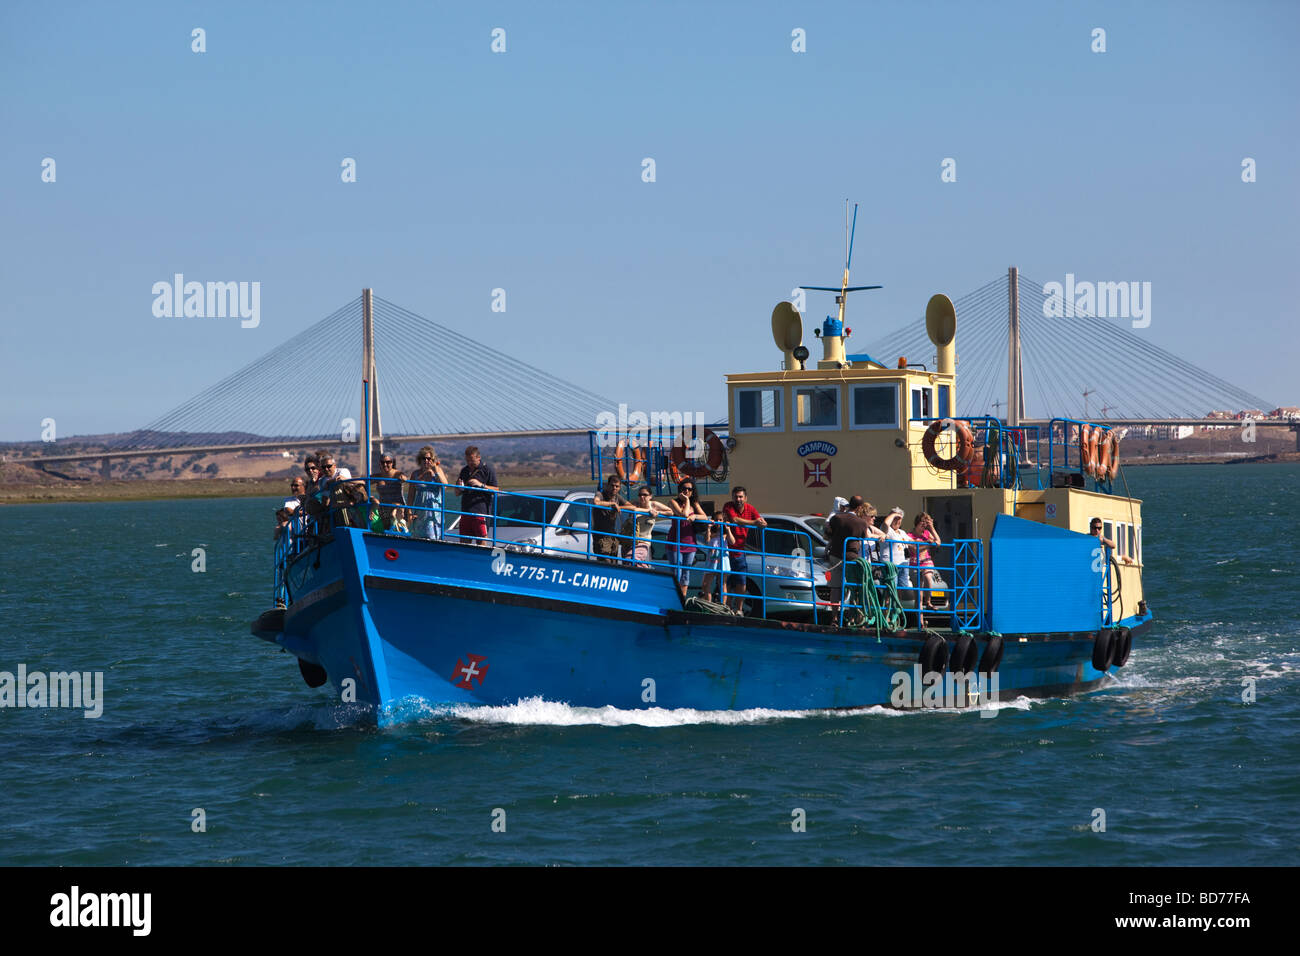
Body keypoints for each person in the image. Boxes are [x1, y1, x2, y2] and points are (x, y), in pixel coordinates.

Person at [722, 486, 766, 614]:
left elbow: (761, 521)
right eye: (736, 496)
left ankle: (739, 610)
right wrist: (755, 523)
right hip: (726, 550)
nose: (738, 499)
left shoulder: (750, 508)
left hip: (740, 551)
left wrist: (763, 524)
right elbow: (734, 519)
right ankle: (728, 609)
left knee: (741, 581)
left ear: (745, 498)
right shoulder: (728, 506)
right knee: (727, 582)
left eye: (741, 496)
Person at [826, 494, 871, 602]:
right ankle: (854, 615)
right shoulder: (861, 523)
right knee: (854, 587)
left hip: (835, 555)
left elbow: (827, 534)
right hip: (851, 557)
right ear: (859, 507)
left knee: (835, 588)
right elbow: (865, 538)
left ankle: (835, 617)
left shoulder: (836, 518)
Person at [667, 479, 707, 599]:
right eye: (684, 488)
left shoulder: (695, 504)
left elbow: (705, 516)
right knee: (676, 572)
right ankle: (675, 597)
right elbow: (683, 514)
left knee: (686, 573)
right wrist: (687, 500)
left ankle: (682, 597)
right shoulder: (673, 502)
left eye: (690, 489)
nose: (687, 491)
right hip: (675, 542)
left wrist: (695, 515)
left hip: (690, 543)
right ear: (680, 490)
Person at [455, 446, 499, 543]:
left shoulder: (487, 470)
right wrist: (458, 487)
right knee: (464, 542)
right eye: (467, 460)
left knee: (482, 541)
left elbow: (496, 490)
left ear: (478, 458)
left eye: (472, 460)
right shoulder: (464, 470)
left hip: (480, 512)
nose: (469, 463)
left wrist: (481, 485)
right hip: (466, 512)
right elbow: (457, 493)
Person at [408, 445, 449, 540]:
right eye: (424, 458)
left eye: (429, 458)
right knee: (418, 538)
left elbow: (445, 485)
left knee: (432, 537)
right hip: (420, 512)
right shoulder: (415, 474)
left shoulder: (438, 471)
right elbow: (411, 494)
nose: (426, 461)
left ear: (433, 459)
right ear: (420, 460)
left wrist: (435, 471)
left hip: (433, 512)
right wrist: (409, 511)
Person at [628, 487, 674, 567]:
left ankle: (646, 570)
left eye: (645, 495)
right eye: (640, 495)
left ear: (650, 496)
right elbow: (635, 510)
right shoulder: (635, 504)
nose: (642, 497)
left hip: (644, 541)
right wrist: (649, 511)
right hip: (630, 541)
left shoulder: (654, 505)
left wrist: (658, 512)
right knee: (627, 562)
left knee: (630, 559)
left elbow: (671, 512)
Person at [592, 475, 630, 563]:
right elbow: (596, 502)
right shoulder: (600, 494)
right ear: (608, 485)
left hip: (613, 536)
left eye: (617, 486)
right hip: (601, 535)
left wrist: (619, 507)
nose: (614, 488)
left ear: (620, 487)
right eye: (612, 485)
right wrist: (611, 504)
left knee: (614, 562)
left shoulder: (618, 497)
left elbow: (631, 506)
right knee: (605, 561)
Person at [910, 512, 944, 610]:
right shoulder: (910, 535)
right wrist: (927, 544)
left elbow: (938, 542)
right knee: (919, 596)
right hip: (914, 563)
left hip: (926, 561)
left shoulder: (927, 533)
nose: (924, 525)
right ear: (917, 523)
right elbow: (914, 550)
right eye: (922, 523)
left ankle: (928, 602)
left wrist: (931, 528)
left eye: (926, 523)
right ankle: (920, 621)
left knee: (928, 577)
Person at [698, 511, 733, 604]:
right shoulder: (712, 532)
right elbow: (707, 540)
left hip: (723, 560)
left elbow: (732, 541)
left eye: (720, 520)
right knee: (705, 584)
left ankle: (723, 605)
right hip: (712, 560)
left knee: (722, 583)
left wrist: (728, 529)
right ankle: (708, 604)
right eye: (716, 520)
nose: (718, 522)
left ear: (724, 520)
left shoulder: (725, 533)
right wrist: (709, 528)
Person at [369, 453, 406, 530]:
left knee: (394, 515)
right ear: (380, 464)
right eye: (382, 462)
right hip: (383, 508)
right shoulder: (377, 476)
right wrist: (371, 498)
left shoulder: (397, 474)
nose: (385, 464)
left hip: (397, 508)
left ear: (392, 463)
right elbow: (363, 483)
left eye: (388, 462)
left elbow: (404, 477)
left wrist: (403, 478)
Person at [881, 506, 914, 593]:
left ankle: (897, 606)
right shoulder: (887, 530)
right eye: (895, 518)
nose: (898, 521)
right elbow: (885, 523)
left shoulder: (902, 532)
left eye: (899, 519)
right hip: (890, 564)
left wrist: (929, 541)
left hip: (903, 564)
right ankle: (889, 606)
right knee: (890, 589)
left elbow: (913, 543)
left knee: (901, 589)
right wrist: (894, 514)